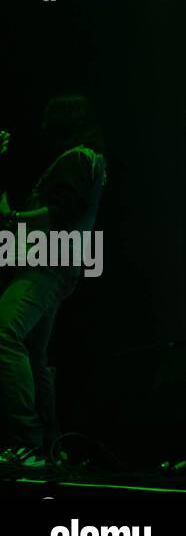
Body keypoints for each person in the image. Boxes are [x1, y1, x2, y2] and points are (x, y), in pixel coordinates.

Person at [0, 95, 108, 467]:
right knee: (32, 353)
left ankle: (27, 442)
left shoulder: (77, 158)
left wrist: (14, 219)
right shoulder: (85, 160)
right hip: (57, 263)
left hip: (48, 263)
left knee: (4, 333)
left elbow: (64, 214)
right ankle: (48, 447)